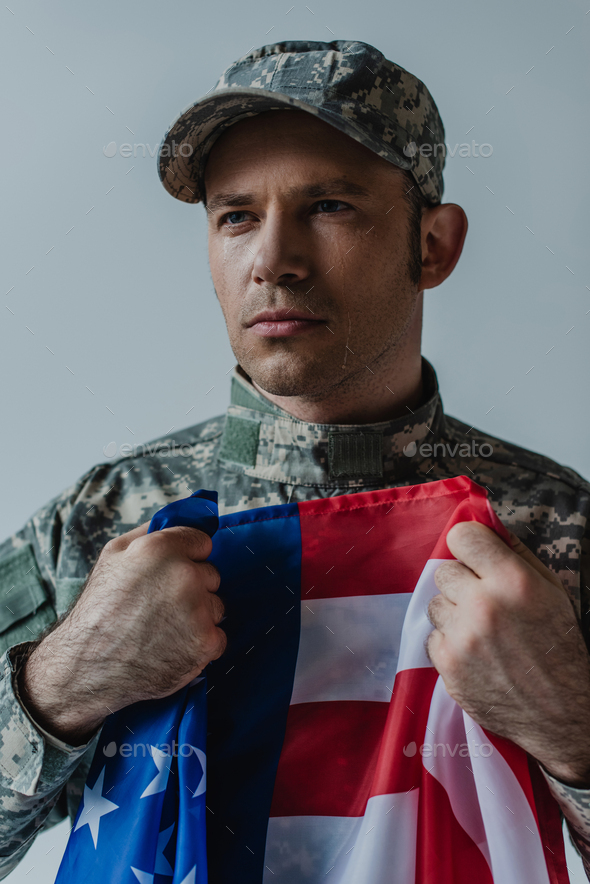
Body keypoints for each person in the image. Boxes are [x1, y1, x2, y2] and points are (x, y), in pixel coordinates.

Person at [0, 38, 589, 881]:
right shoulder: (107, 519)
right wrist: (58, 689)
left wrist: (573, 730)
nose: (273, 260)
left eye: (330, 207)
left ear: (433, 246)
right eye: (236, 215)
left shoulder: (554, 527)